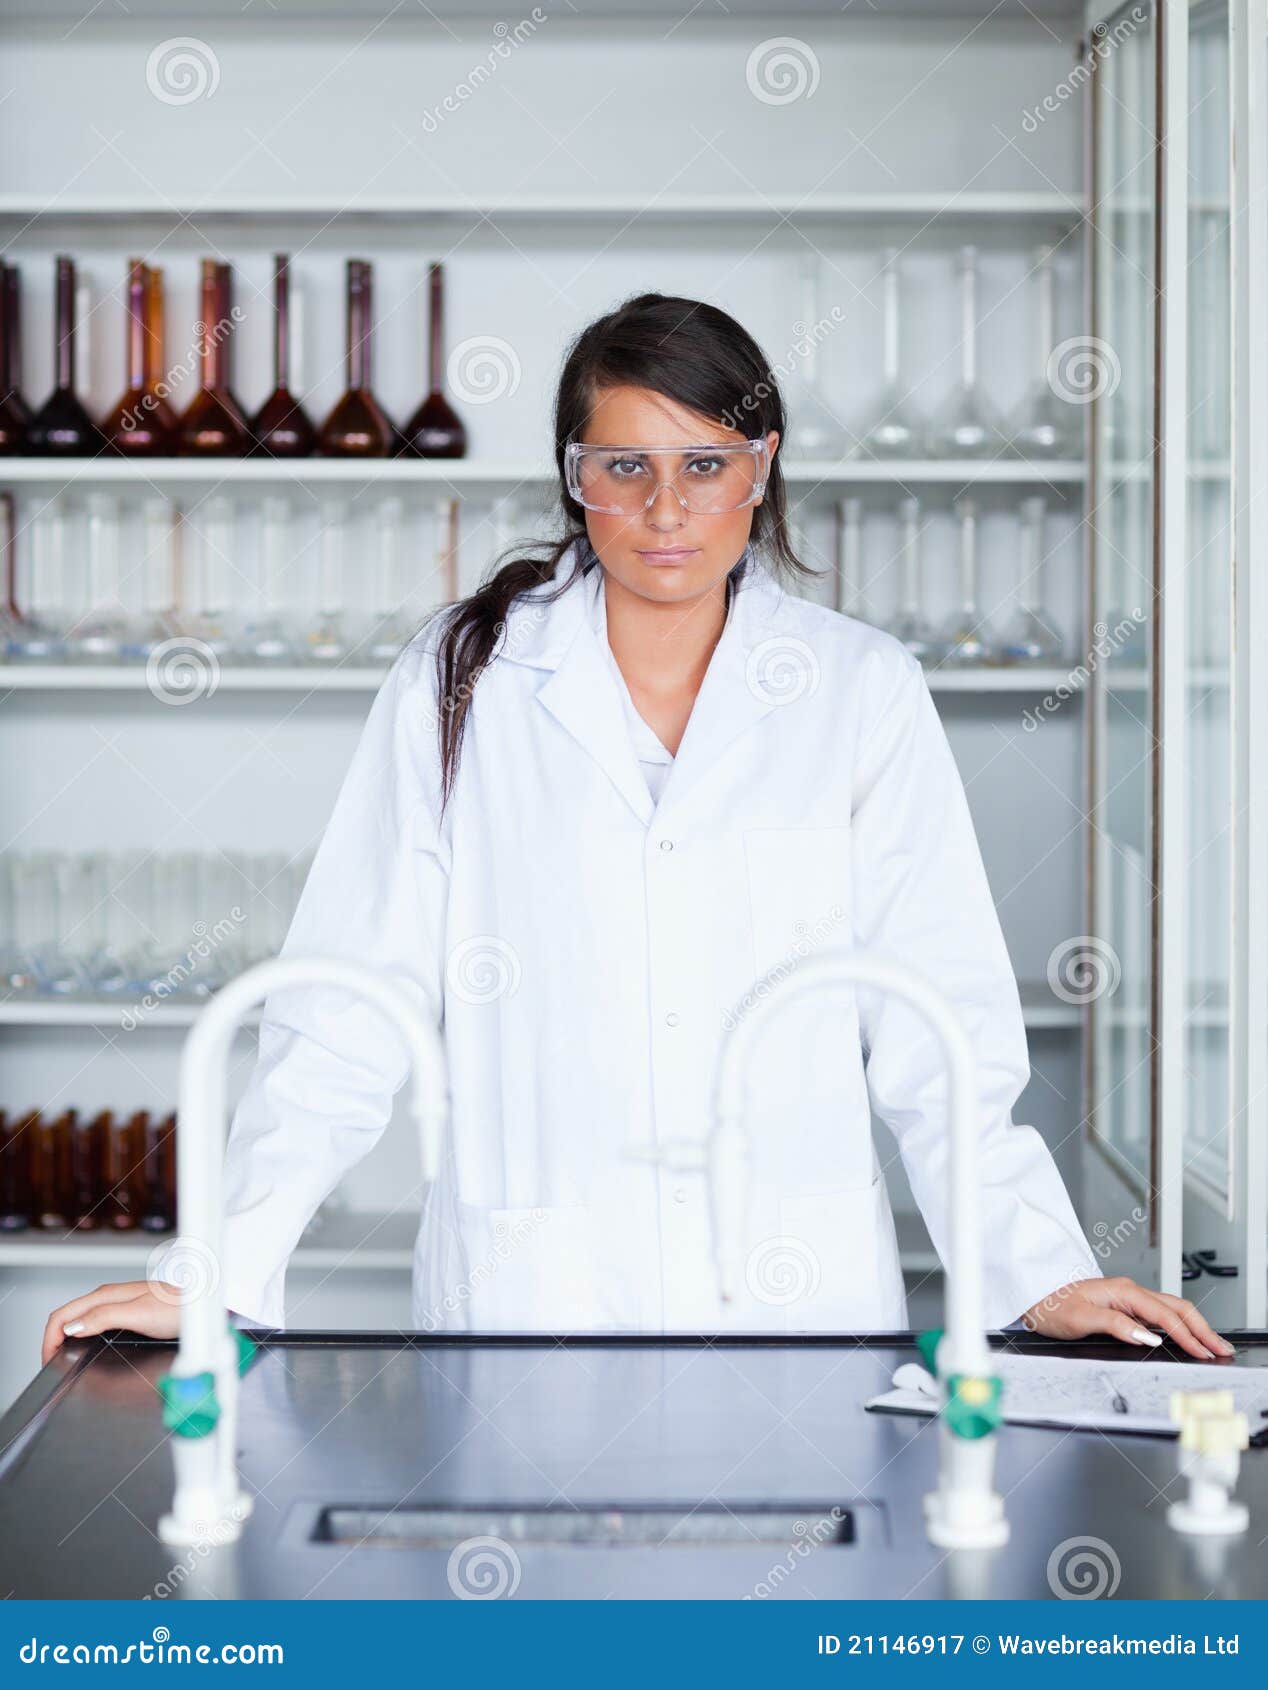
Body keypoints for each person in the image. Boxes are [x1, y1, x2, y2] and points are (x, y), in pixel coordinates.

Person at [44, 292, 1231, 1364]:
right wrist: (209, 1274)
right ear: (573, 474)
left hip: (789, 1305)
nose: (666, 508)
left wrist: (1043, 1271)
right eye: (625, 463)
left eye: (704, 463)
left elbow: (941, 1030)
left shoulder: (855, 688)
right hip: (532, 1298)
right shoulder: (463, 678)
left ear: (759, 468)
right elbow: (346, 1005)